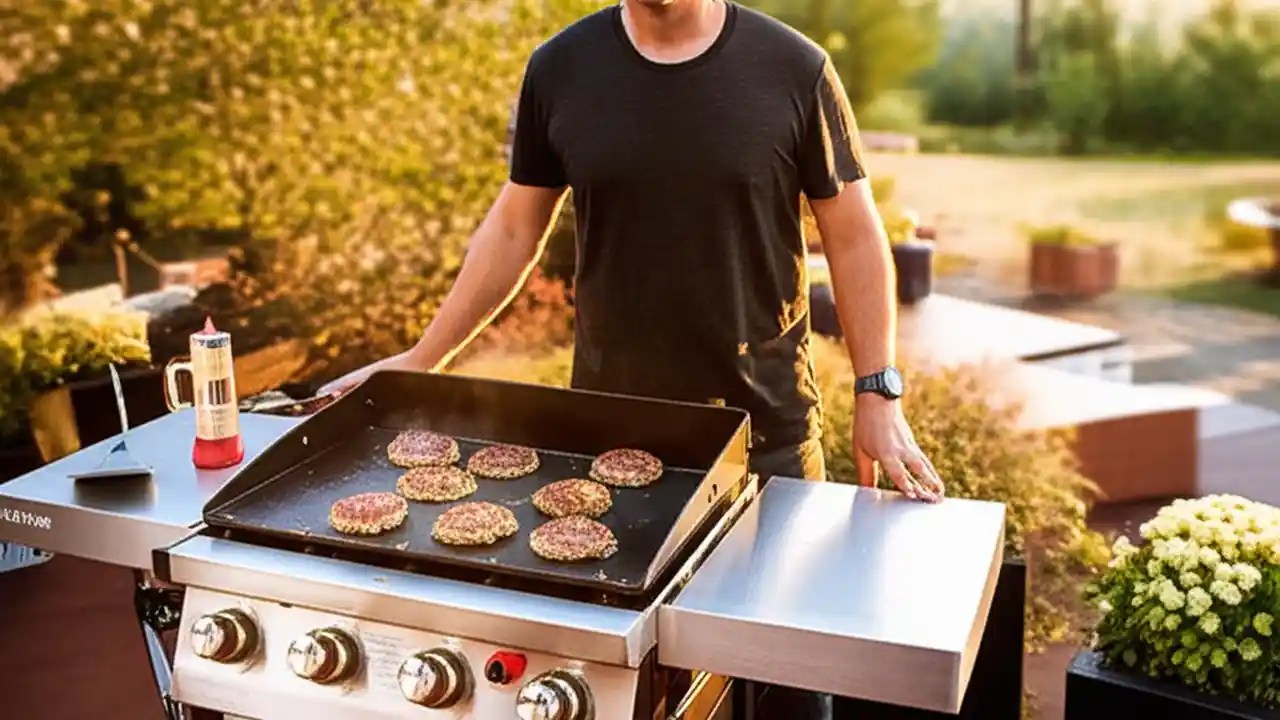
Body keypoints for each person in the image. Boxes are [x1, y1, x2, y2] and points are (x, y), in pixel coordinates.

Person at [322, 1, 945, 715]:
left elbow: (856, 234)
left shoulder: (793, 69)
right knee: (631, 690)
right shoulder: (560, 68)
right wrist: (424, 358)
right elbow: (514, 227)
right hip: (608, 448)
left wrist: (879, 392)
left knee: (787, 695)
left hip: (767, 443)